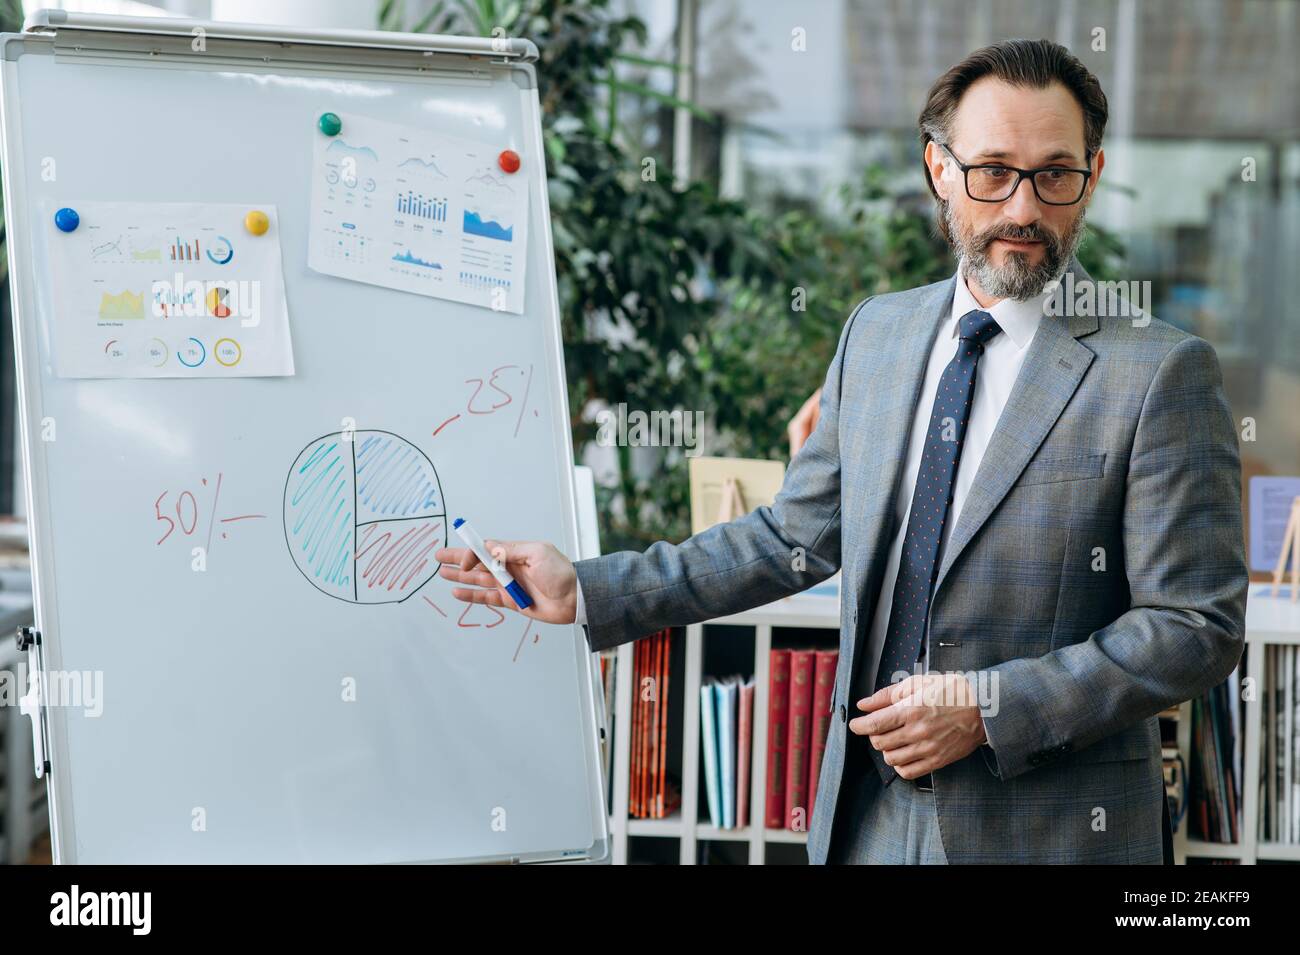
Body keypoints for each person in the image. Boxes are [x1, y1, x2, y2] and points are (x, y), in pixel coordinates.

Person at [435, 38, 1247, 865]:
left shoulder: (1159, 371)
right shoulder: (878, 334)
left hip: (1049, 834)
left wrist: (985, 707)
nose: (1023, 208)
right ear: (939, 168)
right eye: (993, 170)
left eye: (1055, 174)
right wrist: (591, 585)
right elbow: (791, 539)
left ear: (1093, 175)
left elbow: (1196, 625)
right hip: (867, 818)